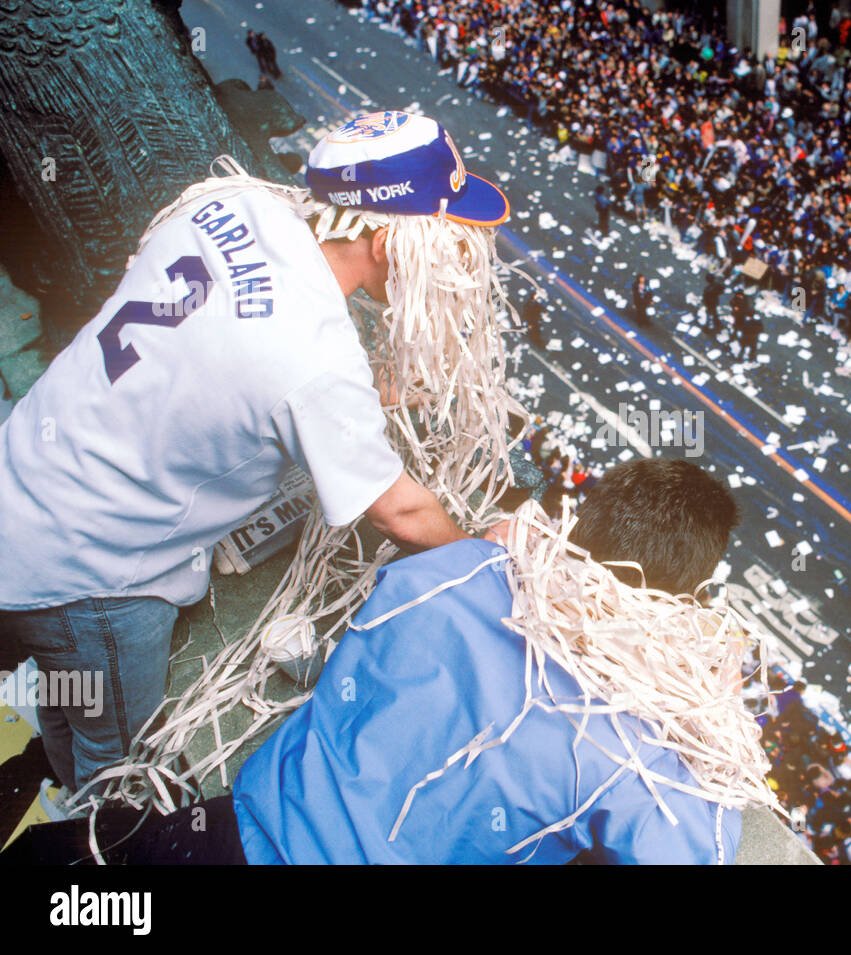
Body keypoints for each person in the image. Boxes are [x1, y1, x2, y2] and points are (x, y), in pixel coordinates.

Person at [0, 110, 512, 798]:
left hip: (27, 465)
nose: (452, 259)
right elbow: (402, 513)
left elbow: (229, 361)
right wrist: (488, 557)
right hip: (88, 573)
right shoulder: (314, 358)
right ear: (389, 242)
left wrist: (369, 398)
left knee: (70, 689)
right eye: (444, 239)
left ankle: (55, 721)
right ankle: (96, 832)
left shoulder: (235, 205)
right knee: (116, 750)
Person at [3, 459, 772, 864]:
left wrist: (502, 554)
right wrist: (706, 701)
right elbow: (696, 847)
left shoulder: (458, 571)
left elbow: (425, 580)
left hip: (228, 838)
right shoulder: (642, 750)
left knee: (58, 863)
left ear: (586, 520)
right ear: (680, 599)